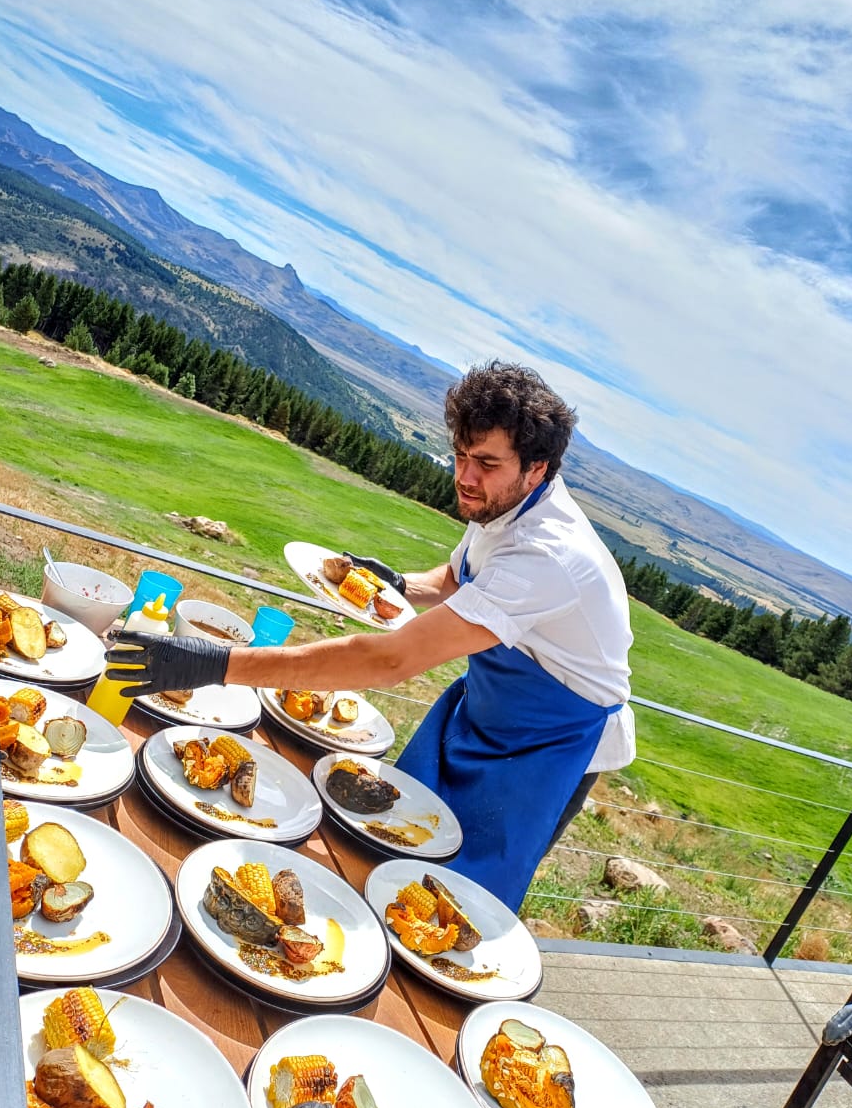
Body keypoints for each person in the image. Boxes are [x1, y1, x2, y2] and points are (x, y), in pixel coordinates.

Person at [107, 360, 636, 910]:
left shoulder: (549, 554)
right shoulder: (506, 499)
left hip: (551, 744)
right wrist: (399, 583)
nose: (465, 477)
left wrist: (215, 664)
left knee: (461, 897)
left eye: (485, 463)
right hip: (489, 709)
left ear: (537, 468)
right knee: (394, 844)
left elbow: (390, 661)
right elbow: (459, 578)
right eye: (460, 455)